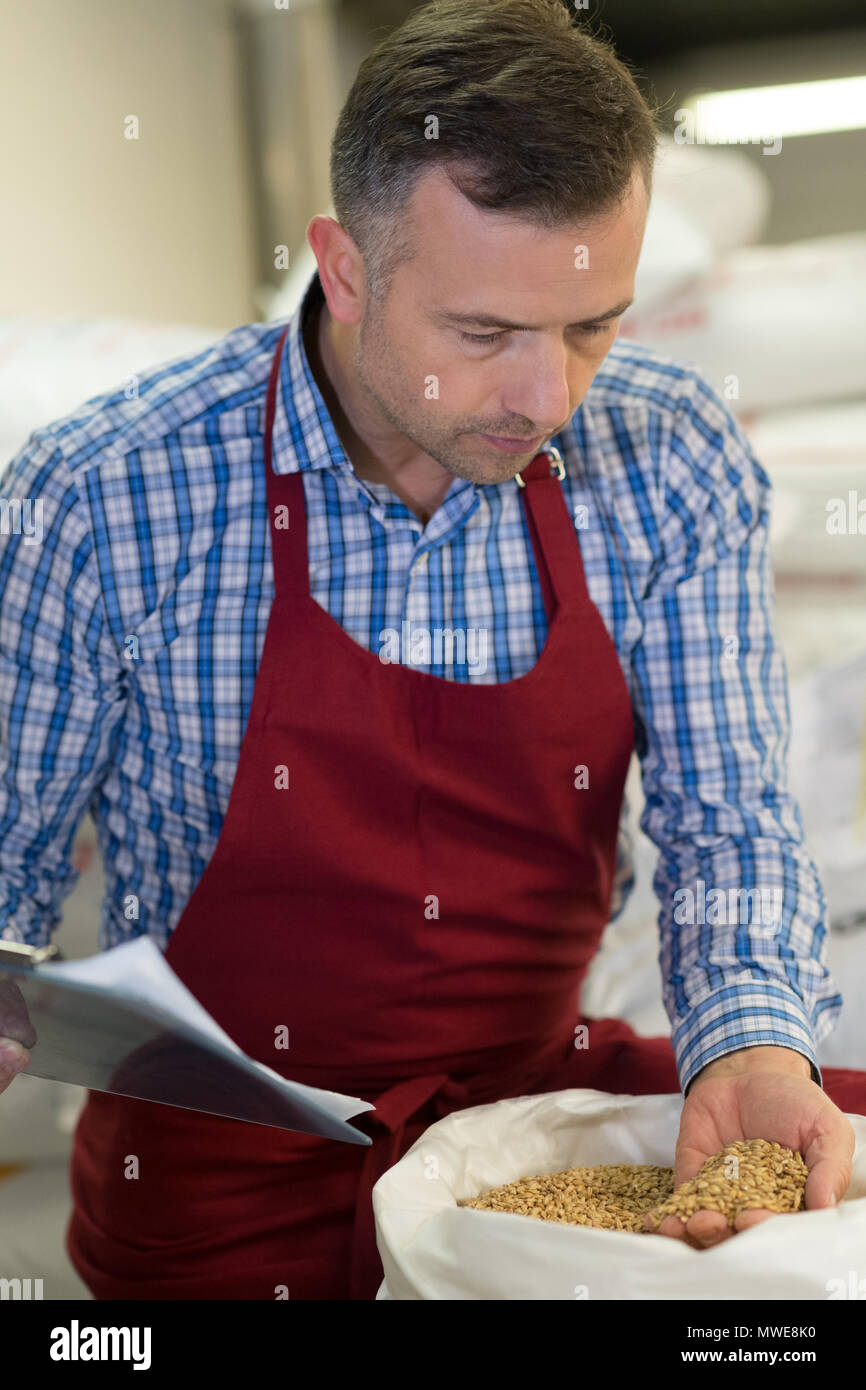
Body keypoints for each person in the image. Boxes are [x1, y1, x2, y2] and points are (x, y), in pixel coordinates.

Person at [0, 0, 861, 1301]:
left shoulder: (666, 456)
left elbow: (726, 817)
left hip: (519, 1132)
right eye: (484, 333)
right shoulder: (110, 491)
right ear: (344, 269)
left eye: (591, 326)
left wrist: (749, 1042)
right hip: (219, 1184)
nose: (548, 396)